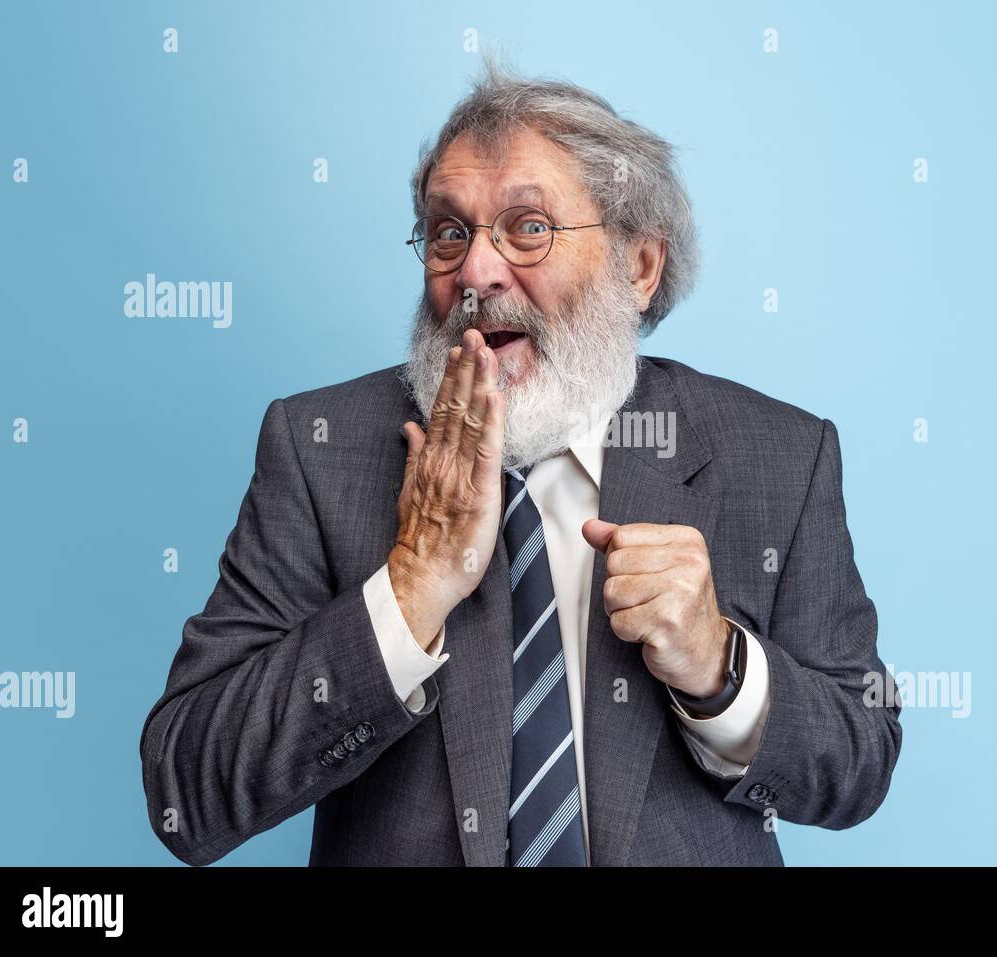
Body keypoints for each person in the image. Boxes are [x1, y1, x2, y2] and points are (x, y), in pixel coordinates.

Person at [139, 58, 902, 867]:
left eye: (528, 228)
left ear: (638, 266)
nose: (476, 271)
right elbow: (185, 795)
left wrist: (721, 666)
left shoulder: (777, 453)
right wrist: (404, 595)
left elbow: (860, 761)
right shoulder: (318, 446)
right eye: (449, 232)